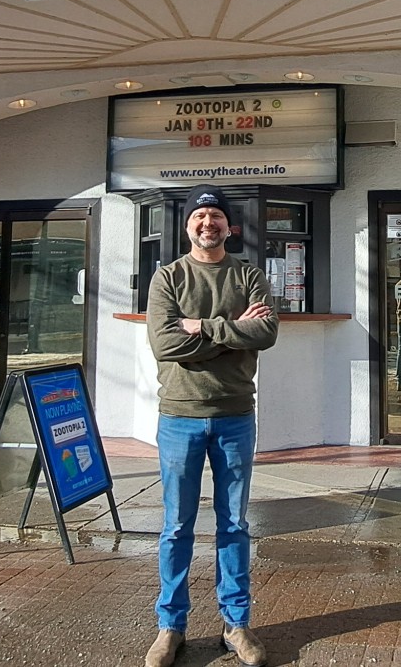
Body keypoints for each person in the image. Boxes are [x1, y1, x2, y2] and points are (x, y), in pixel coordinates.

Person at [143, 185, 278, 667]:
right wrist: (231, 329)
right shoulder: (168, 278)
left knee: (235, 524)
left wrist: (201, 327)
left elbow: (266, 332)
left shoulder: (248, 273)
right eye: (200, 216)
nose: (208, 223)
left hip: (235, 417)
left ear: (229, 226)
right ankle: (170, 627)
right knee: (176, 526)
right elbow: (165, 346)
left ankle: (236, 625)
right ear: (187, 226)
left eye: (215, 216)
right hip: (179, 416)